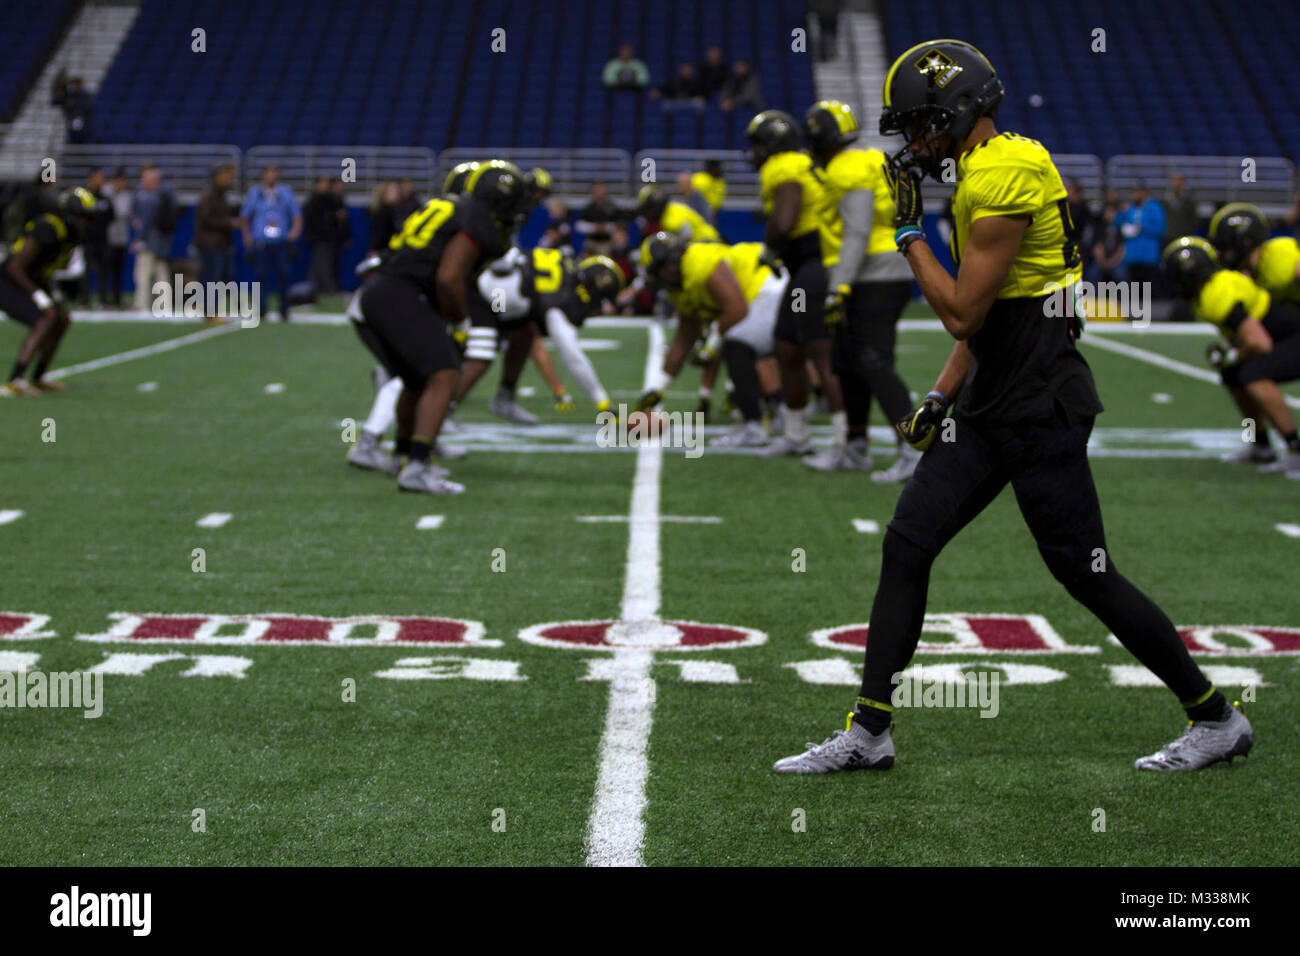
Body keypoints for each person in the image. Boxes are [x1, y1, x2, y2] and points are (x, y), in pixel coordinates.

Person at [774, 38, 1252, 775]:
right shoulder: (994, 164)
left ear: (958, 112)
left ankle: (1215, 716)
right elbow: (996, 316)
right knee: (907, 542)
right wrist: (941, 393)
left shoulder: (998, 177)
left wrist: (908, 235)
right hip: (1000, 386)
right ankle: (869, 731)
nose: (915, 141)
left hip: (1037, 399)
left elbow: (965, 312)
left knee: (1085, 571)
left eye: (922, 122)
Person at [348, 160, 534, 493]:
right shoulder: (476, 218)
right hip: (402, 295)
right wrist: (459, 320)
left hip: (380, 292)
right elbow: (449, 278)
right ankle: (418, 467)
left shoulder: (446, 206)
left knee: (416, 381)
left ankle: (404, 457)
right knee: (445, 373)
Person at [803, 99, 916, 478]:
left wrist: (839, 289)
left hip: (872, 276)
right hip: (887, 269)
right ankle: (854, 447)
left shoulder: (846, 167)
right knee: (848, 361)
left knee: (872, 360)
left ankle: (914, 447)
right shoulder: (868, 158)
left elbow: (858, 230)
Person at [744, 109, 841, 459]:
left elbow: (785, 221)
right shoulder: (801, 161)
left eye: (756, 145)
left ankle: (847, 440)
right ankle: (797, 434)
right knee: (786, 344)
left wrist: (769, 250)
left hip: (813, 263)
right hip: (811, 264)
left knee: (819, 349)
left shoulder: (781, 167)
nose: (752, 153)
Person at [1162, 235, 1300, 476]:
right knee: (1233, 374)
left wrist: (1234, 355)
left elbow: (1260, 343)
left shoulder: (1216, 293)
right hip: (1285, 336)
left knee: (1253, 375)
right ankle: (1260, 443)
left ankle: (1295, 449)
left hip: (1292, 337)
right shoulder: (1212, 290)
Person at [636, 233, 785, 446]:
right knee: (741, 342)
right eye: (659, 269)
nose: (665, 272)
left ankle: (755, 424)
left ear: (678, 255)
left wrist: (710, 345)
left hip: (772, 285)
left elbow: (736, 309)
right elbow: (683, 338)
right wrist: (659, 389)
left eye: (666, 264)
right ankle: (777, 412)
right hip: (757, 296)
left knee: (737, 342)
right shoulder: (679, 287)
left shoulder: (700, 263)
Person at [0, 188, 95, 394]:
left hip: (30, 281)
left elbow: (43, 270)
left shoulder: (71, 235)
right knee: (46, 317)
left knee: (61, 319)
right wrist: (39, 296)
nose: (83, 221)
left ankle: (37, 377)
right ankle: (14, 380)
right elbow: (15, 267)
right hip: (7, 281)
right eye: (80, 216)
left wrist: (50, 293)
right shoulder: (49, 227)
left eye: (87, 217)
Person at [240, 165, 301, 320]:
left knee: (284, 275)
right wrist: (247, 237)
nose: (271, 177)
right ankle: (261, 309)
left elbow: (296, 215)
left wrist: (294, 232)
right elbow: (245, 216)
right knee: (260, 276)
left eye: (273, 173)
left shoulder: (286, 193)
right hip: (261, 240)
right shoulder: (255, 193)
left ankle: (284, 309)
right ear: (263, 176)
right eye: (268, 173)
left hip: (281, 241)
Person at [130, 164, 177, 312]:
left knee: (143, 273)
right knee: (161, 272)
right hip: (163, 241)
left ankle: (142, 304)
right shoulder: (167, 194)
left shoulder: (149, 198)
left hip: (150, 241)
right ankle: (165, 305)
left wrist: (141, 240)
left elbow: (146, 222)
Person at [194, 163, 237, 303]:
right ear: (216, 177)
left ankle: (211, 309)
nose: (228, 179)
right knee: (212, 279)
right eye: (225, 176)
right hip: (211, 243)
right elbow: (207, 219)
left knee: (218, 279)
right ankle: (210, 310)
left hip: (218, 243)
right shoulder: (209, 195)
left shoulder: (220, 194)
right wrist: (229, 223)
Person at [1115, 182, 1166, 294]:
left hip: (1148, 256)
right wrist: (1120, 213)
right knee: (1134, 292)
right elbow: (1118, 224)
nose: (1133, 195)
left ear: (1144, 193)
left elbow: (1160, 228)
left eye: (1136, 192)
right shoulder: (1130, 208)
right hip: (1132, 256)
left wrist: (1141, 228)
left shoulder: (1154, 207)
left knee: (1149, 292)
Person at [303, 176, 344, 294]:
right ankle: (323, 288)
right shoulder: (314, 200)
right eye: (322, 183)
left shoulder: (330, 199)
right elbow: (312, 219)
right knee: (321, 264)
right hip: (318, 238)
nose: (325, 186)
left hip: (329, 237)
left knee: (325, 264)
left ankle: (317, 288)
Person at [103, 168, 130, 307]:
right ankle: (105, 299)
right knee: (106, 270)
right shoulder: (105, 193)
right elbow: (118, 213)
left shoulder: (126, 195)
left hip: (121, 238)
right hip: (108, 238)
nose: (123, 184)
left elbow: (126, 213)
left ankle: (117, 298)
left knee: (119, 271)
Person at [576, 182, 623, 257]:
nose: (599, 193)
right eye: (596, 191)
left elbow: (619, 225)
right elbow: (579, 226)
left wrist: (605, 227)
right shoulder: (589, 207)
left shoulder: (613, 207)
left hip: (608, 242)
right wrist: (594, 227)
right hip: (592, 241)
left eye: (601, 190)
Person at [368, 180, 401, 253]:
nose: (395, 193)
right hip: (384, 250)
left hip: (390, 249)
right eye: (392, 191)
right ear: (384, 194)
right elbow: (379, 233)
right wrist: (374, 249)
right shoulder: (383, 211)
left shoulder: (393, 209)